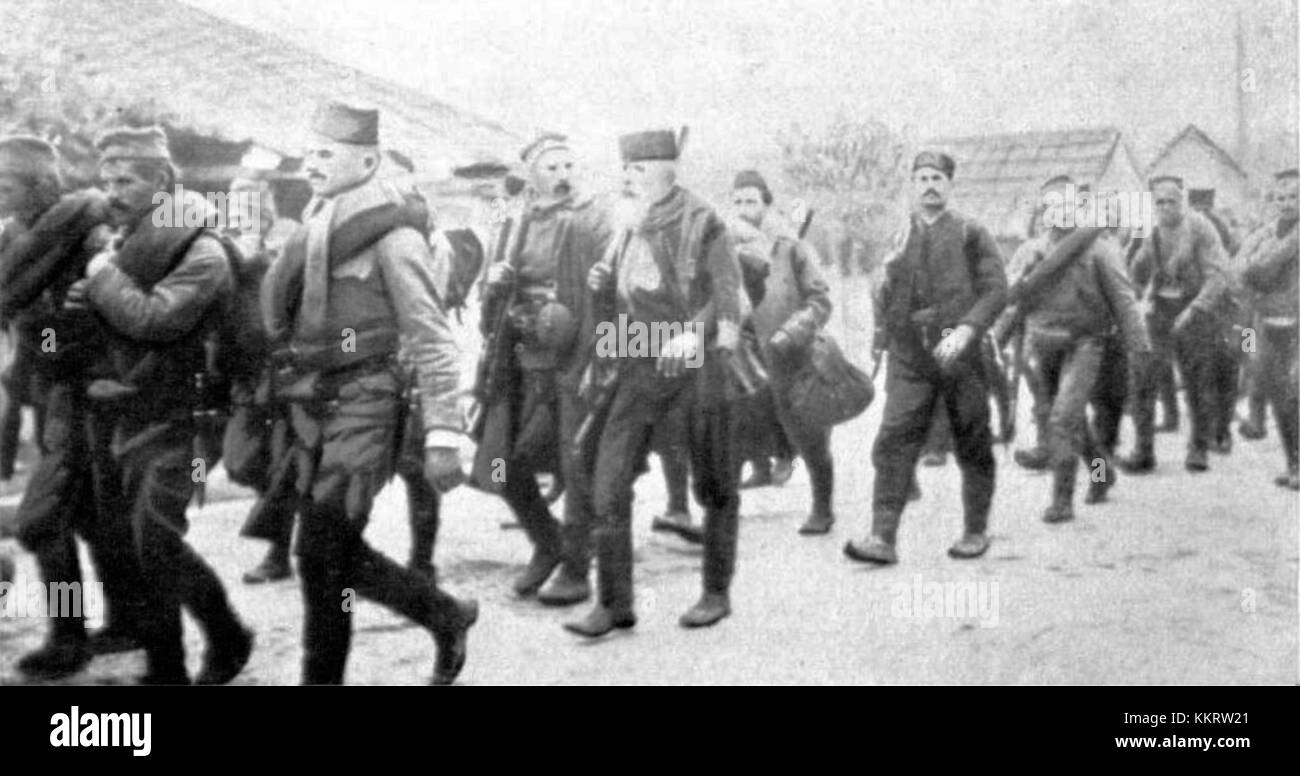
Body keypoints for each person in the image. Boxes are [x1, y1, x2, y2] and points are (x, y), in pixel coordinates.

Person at [258, 100, 476, 684]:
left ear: (368, 161)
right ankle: (444, 613)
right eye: (309, 152)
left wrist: (444, 434)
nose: (310, 165)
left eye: (326, 154)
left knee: (320, 551)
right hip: (313, 405)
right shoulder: (317, 224)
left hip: (368, 402)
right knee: (328, 554)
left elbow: (432, 337)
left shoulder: (394, 238)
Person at [69, 126, 252, 684]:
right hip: (128, 411)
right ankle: (173, 663)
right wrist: (87, 306)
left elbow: (154, 319)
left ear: (164, 182)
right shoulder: (132, 245)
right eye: (107, 180)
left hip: (189, 421)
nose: (112, 191)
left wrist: (100, 279)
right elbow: (113, 320)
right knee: (132, 541)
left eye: (126, 179)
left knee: (156, 539)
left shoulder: (202, 251)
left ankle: (221, 638)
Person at [565, 128, 743, 636]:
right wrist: (602, 289)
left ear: (670, 169)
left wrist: (693, 335)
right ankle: (614, 604)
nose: (628, 177)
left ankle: (715, 592)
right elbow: (619, 306)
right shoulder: (628, 223)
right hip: (638, 364)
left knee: (714, 486)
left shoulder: (704, 221)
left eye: (638, 169)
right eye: (626, 169)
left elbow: (729, 293)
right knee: (608, 482)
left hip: (695, 366)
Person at [0, 135, 146, 678]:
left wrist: (60, 328)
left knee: (41, 519)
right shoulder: (14, 235)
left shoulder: (91, 231)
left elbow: (121, 309)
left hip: (86, 390)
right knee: (87, 514)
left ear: (41, 183)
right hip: (44, 388)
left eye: (7, 183)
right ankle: (129, 619)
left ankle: (68, 634)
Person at [470, 133, 613, 605]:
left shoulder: (593, 215)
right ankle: (547, 541)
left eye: (568, 165)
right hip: (519, 354)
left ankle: (576, 567)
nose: (562, 175)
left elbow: (615, 285)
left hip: (573, 356)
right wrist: (493, 284)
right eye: (550, 168)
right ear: (531, 174)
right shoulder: (514, 220)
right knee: (497, 462)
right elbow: (487, 301)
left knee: (574, 462)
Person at [844, 151, 1006, 565]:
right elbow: (882, 291)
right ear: (912, 186)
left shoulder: (972, 233)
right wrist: (882, 332)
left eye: (937, 178)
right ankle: (882, 537)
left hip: (960, 351)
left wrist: (968, 330)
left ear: (950, 185)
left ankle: (974, 530)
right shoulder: (899, 236)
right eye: (922, 178)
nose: (930, 185)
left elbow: (995, 291)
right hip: (910, 355)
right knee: (895, 437)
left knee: (972, 438)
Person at [1000, 175, 1151, 522]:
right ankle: (1102, 474)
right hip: (1043, 345)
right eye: (1052, 206)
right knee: (1072, 423)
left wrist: (1140, 349)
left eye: (1066, 205)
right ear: (1043, 212)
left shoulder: (1099, 248)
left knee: (1063, 419)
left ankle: (1061, 501)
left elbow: (1125, 302)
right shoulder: (1030, 251)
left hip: (1084, 344)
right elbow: (1009, 299)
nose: (1060, 213)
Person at [728, 169, 835, 534]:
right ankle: (753, 477)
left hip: (790, 351)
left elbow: (820, 300)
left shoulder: (791, 247)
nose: (744, 209)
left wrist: (793, 332)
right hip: (747, 353)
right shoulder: (727, 250)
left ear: (767, 204)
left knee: (809, 433)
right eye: (738, 201)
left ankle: (822, 507)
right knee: (743, 420)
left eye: (752, 201)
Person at [1119, 175, 1230, 474]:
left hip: (1195, 312)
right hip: (1161, 312)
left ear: (1182, 201)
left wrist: (1193, 310)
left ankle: (1199, 448)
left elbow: (1219, 275)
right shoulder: (1153, 233)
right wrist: (1137, 297)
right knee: (1142, 378)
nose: (1166, 207)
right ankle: (1143, 451)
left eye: (1172, 201)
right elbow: (1137, 269)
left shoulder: (1199, 228)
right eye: (1160, 202)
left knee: (1197, 382)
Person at [1236, 168, 1299, 490]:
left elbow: (1257, 270)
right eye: (1281, 197)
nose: (1287, 203)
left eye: (1294, 197)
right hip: (1266, 322)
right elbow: (1244, 269)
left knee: (1295, 391)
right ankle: (1294, 463)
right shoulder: (1265, 233)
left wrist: (1260, 271)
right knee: (1281, 397)